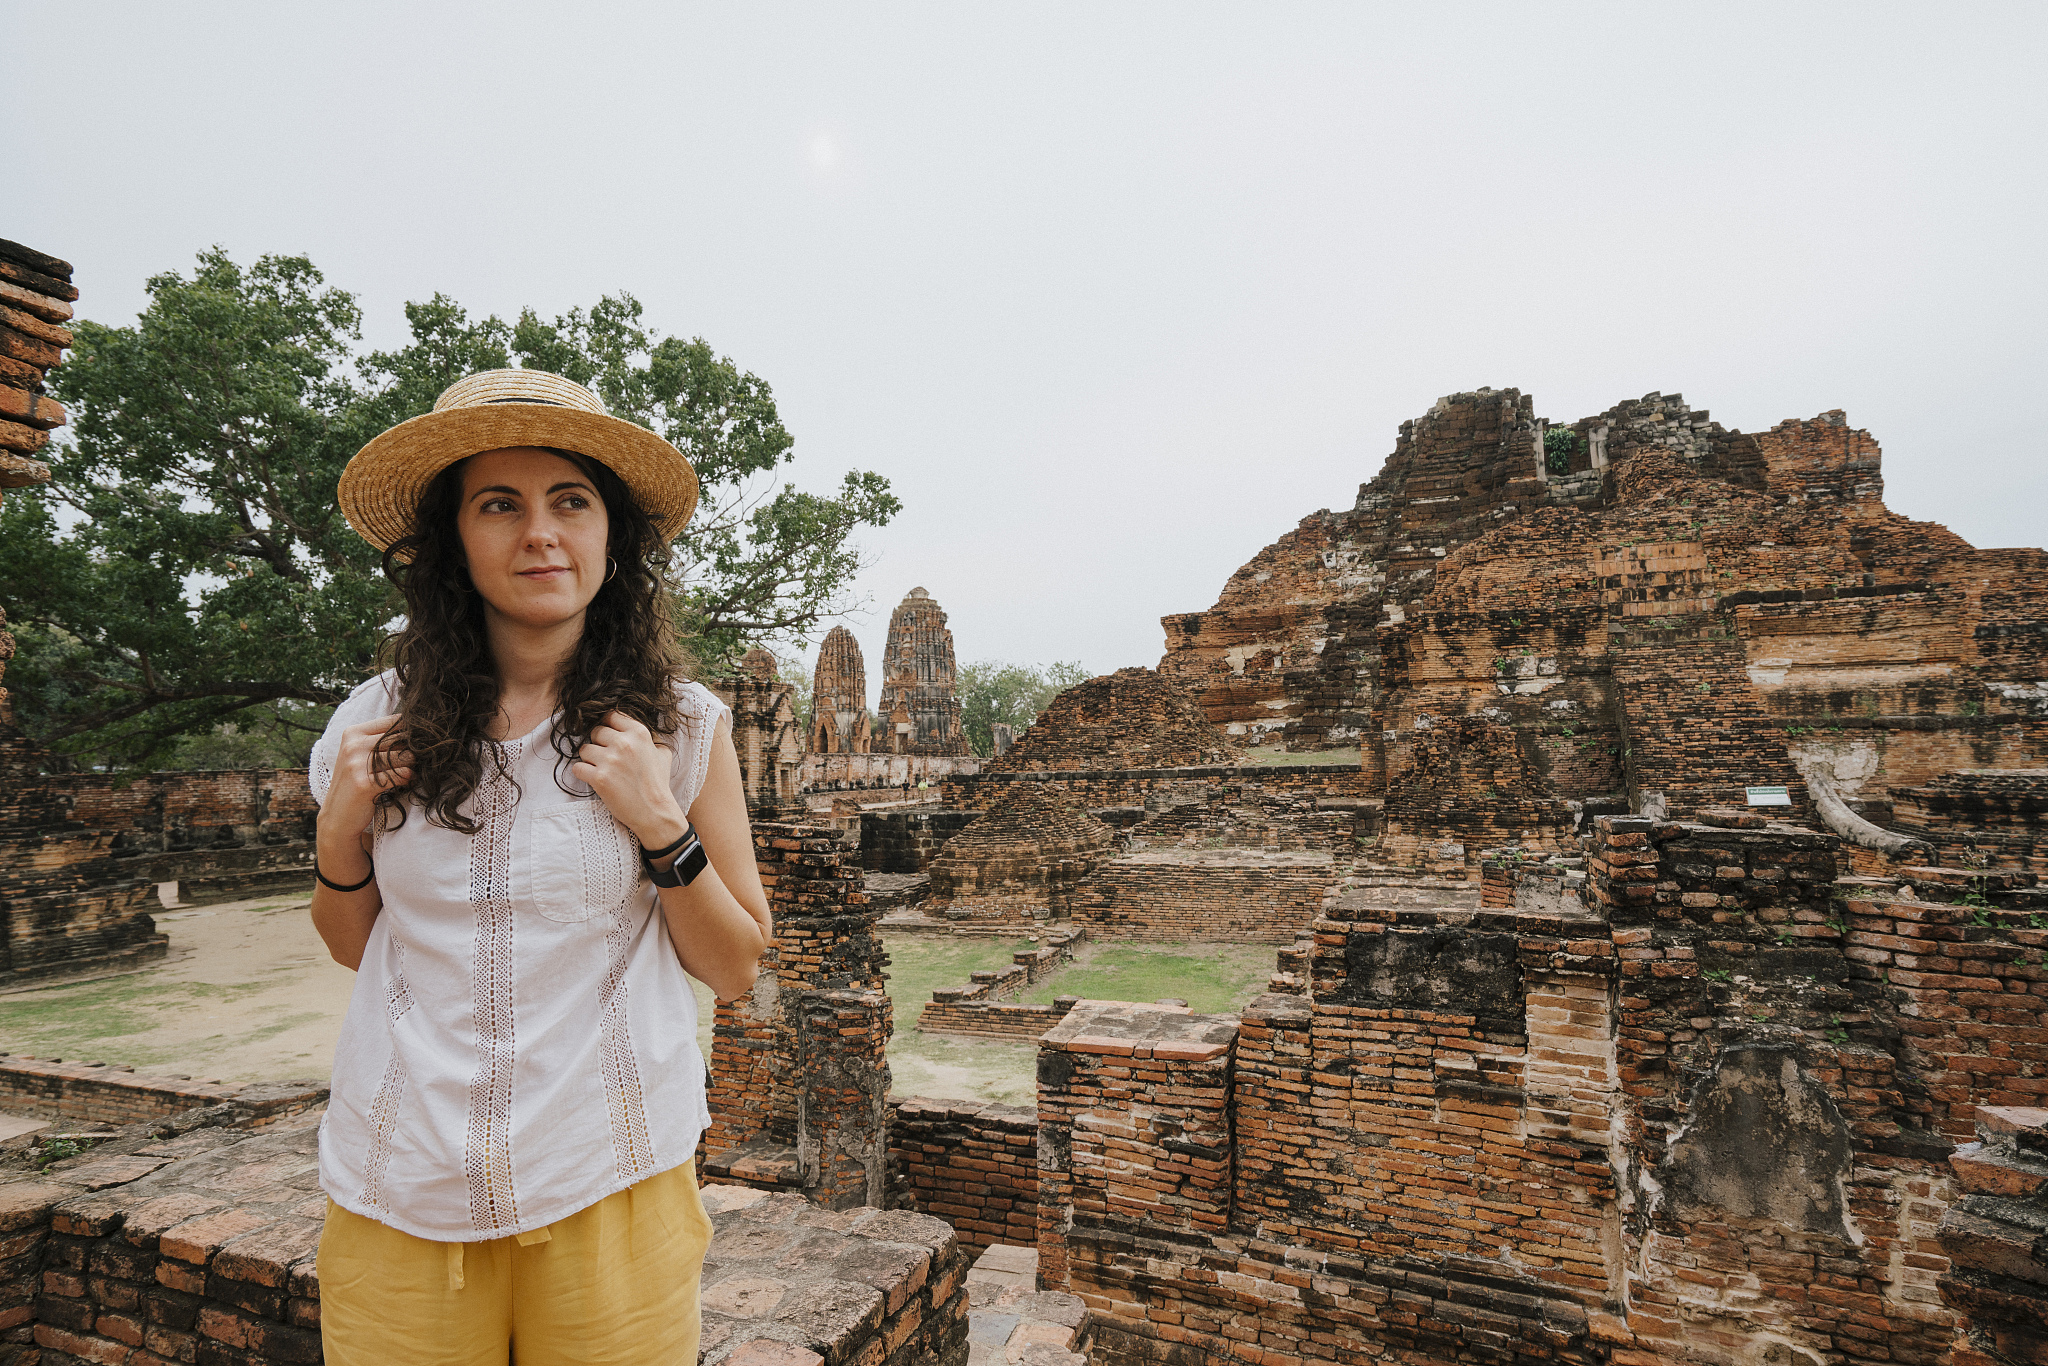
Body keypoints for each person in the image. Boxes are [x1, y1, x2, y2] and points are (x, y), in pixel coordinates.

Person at [306, 369, 771, 1365]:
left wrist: (659, 823)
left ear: (612, 536)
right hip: (403, 1177)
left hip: (608, 1176)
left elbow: (736, 966)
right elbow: (353, 945)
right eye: (498, 505)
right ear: (452, 539)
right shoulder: (375, 723)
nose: (540, 534)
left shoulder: (680, 725)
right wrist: (339, 832)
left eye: (570, 501)